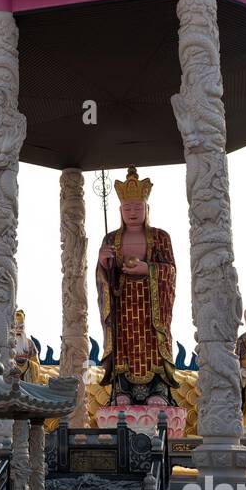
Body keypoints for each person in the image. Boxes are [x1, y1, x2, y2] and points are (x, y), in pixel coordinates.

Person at [95, 167, 179, 406]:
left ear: (146, 209)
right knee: (123, 344)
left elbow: (171, 270)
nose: (132, 213)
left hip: (151, 306)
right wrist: (103, 262)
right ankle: (122, 390)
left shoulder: (161, 236)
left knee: (152, 341)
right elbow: (104, 276)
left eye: (137, 208)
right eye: (128, 208)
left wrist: (148, 269)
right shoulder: (111, 238)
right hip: (122, 303)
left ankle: (158, 389)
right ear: (121, 210)